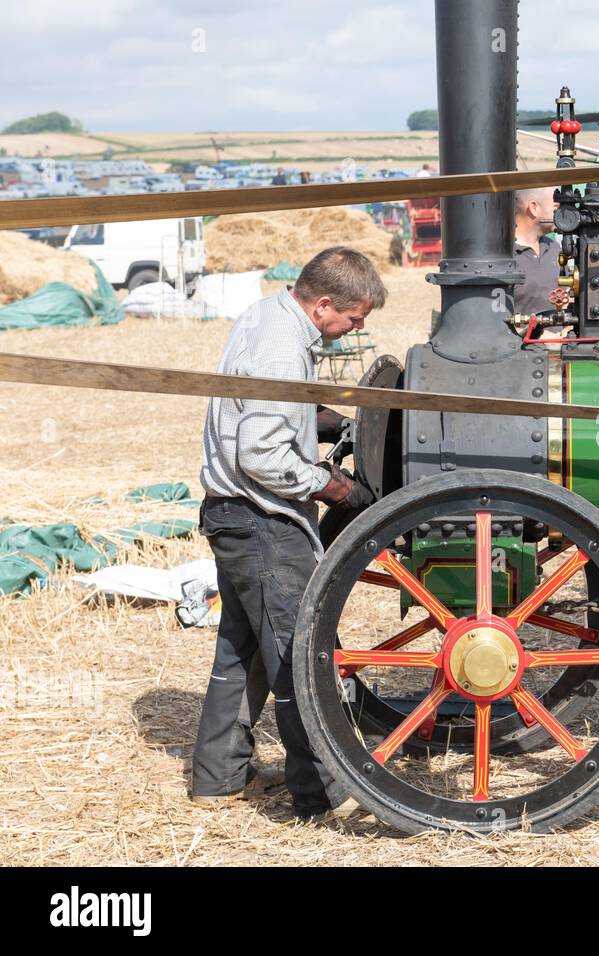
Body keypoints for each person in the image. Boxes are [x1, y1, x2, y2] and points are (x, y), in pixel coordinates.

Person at [192, 246, 386, 820]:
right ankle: (322, 791)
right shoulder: (282, 346)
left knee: (243, 651)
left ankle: (219, 776)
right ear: (323, 304)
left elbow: (273, 407)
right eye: (353, 318)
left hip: (231, 516)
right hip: (262, 521)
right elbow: (261, 454)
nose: (355, 329)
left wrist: (332, 421)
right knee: (300, 654)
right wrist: (334, 486)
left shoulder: (268, 315)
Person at [512, 186, 560, 317]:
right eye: (556, 207)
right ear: (534, 207)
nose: (561, 212)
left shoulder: (555, 249)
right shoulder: (503, 256)